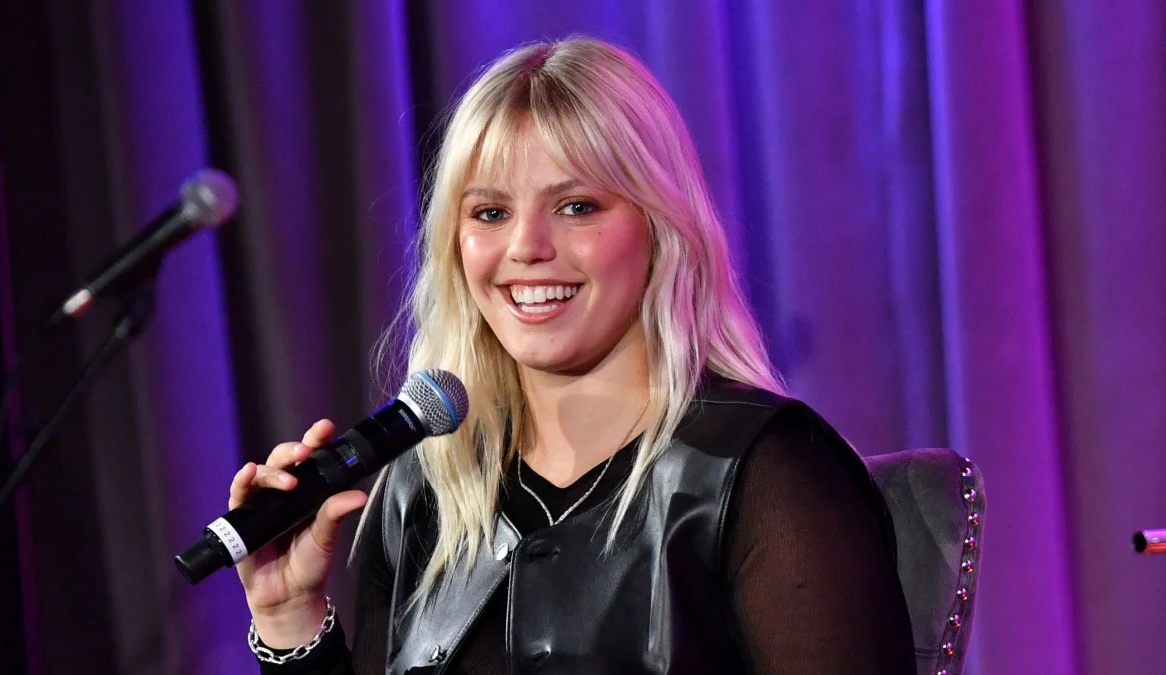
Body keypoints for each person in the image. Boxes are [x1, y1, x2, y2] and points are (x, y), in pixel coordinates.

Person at [229, 36, 916, 674]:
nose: (527, 247)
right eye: (490, 213)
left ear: (660, 227)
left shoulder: (764, 470)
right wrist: (289, 615)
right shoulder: (421, 487)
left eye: (577, 206)